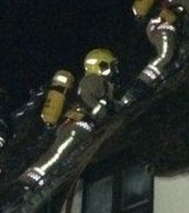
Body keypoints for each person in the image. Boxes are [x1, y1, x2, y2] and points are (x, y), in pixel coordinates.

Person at [20, 48, 119, 188]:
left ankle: (43, 180)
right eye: (110, 66)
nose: (114, 70)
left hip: (82, 126)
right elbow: (89, 100)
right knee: (60, 152)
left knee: (67, 156)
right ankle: (31, 177)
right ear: (100, 65)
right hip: (78, 124)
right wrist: (105, 112)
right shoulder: (93, 80)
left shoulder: (101, 84)